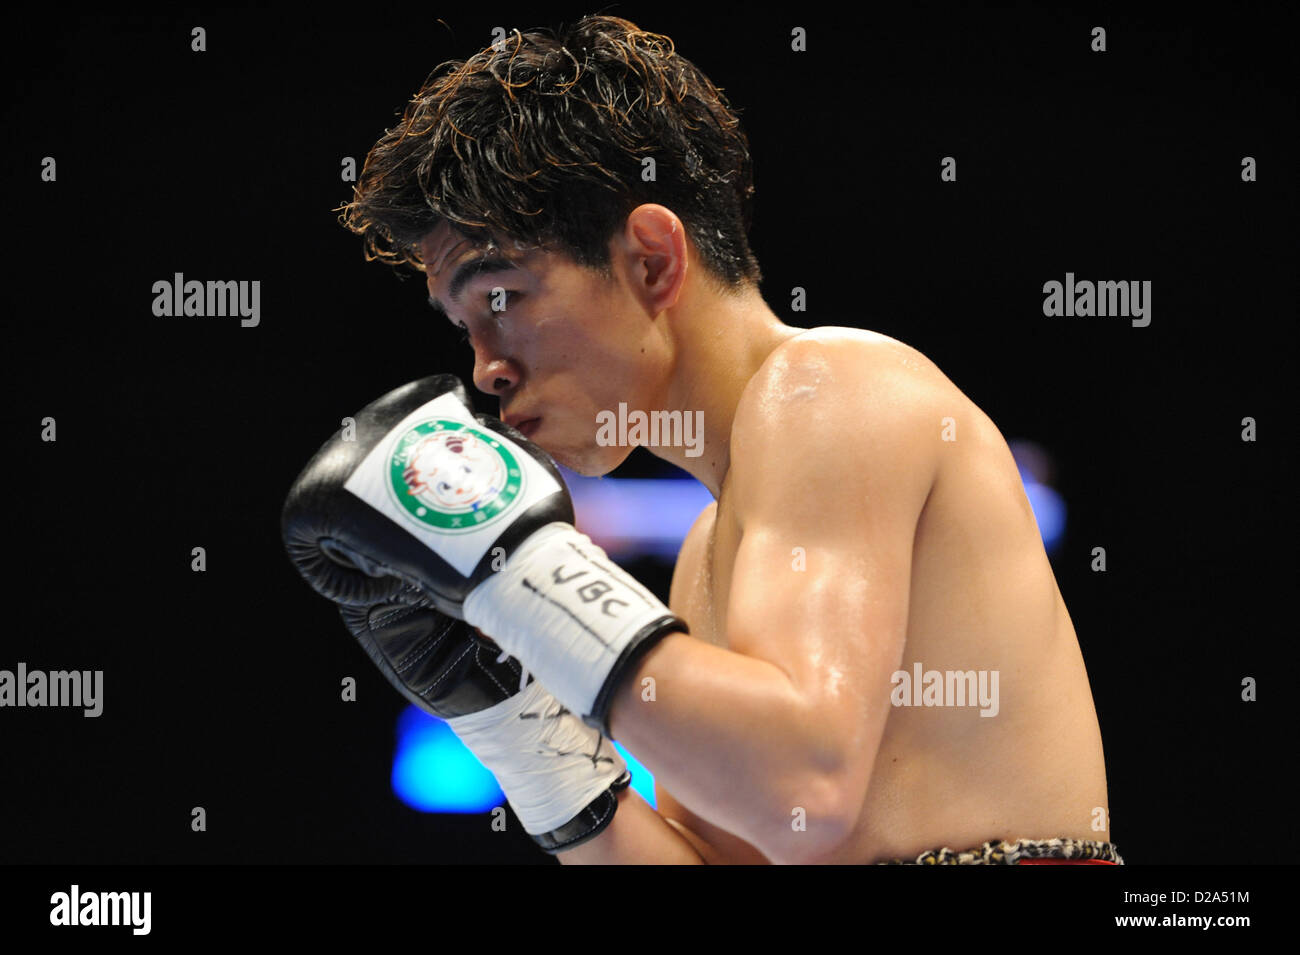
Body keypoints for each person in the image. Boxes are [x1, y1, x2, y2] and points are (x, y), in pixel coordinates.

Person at [328, 14, 1120, 865]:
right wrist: (505, 717)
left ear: (651, 260)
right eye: (464, 329)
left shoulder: (835, 385)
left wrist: (518, 579)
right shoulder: (708, 558)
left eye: (503, 299)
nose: (485, 369)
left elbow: (806, 786)